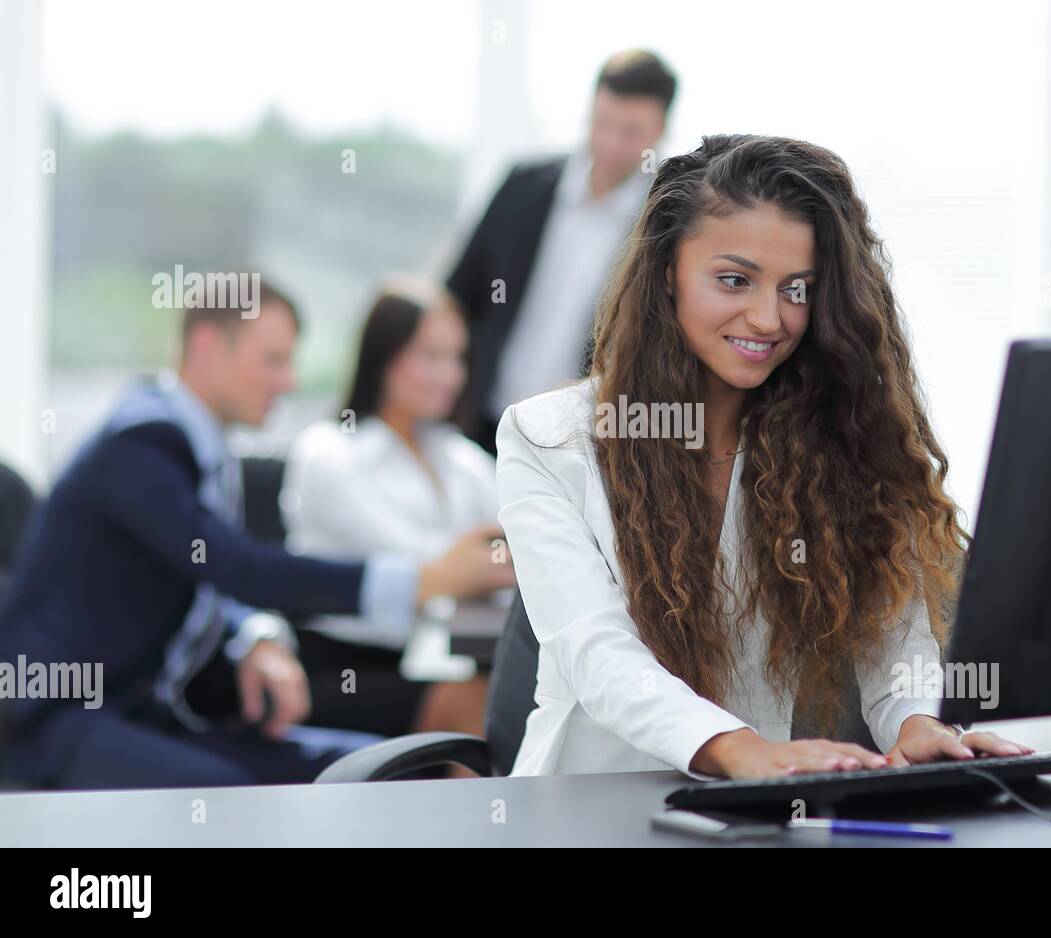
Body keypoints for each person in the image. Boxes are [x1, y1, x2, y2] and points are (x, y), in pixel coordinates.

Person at [496, 135, 1032, 779]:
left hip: (760, 806)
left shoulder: (835, 436)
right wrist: (740, 750)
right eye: (734, 280)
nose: (768, 317)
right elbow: (596, 653)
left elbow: (895, 645)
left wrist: (919, 723)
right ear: (668, 272)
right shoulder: (548, 437)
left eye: (797, 289)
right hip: (588, 801)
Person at [0, 280, 505, 790]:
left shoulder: (204, 448)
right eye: (273, 360)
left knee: (384, 768)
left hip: (155, 714)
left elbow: (203, 576)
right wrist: (429, 578)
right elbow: (237, 567)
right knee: (221, 791)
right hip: (62, 720)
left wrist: (254, 638)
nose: (288, 381)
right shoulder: (140, 443)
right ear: (207, 348)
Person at [281, 283, 514, 741]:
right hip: (338, 669)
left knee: (510, 691)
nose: (450, 375)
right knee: (475, 700)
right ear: (382, 356)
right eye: (430, 356)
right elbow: (424, 569)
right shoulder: (328, 453)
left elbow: (521, 536)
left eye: (457, 358)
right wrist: (481, 563)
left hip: (430, 660)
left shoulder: (457, 456)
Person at [446, 49, 676, 453]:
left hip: (583, 445)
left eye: (631, 131)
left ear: (660, 131)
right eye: (602, 123)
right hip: (483, 425)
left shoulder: (665, 222)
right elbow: (459, 294)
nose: (611, 142)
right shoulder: (523, 185)